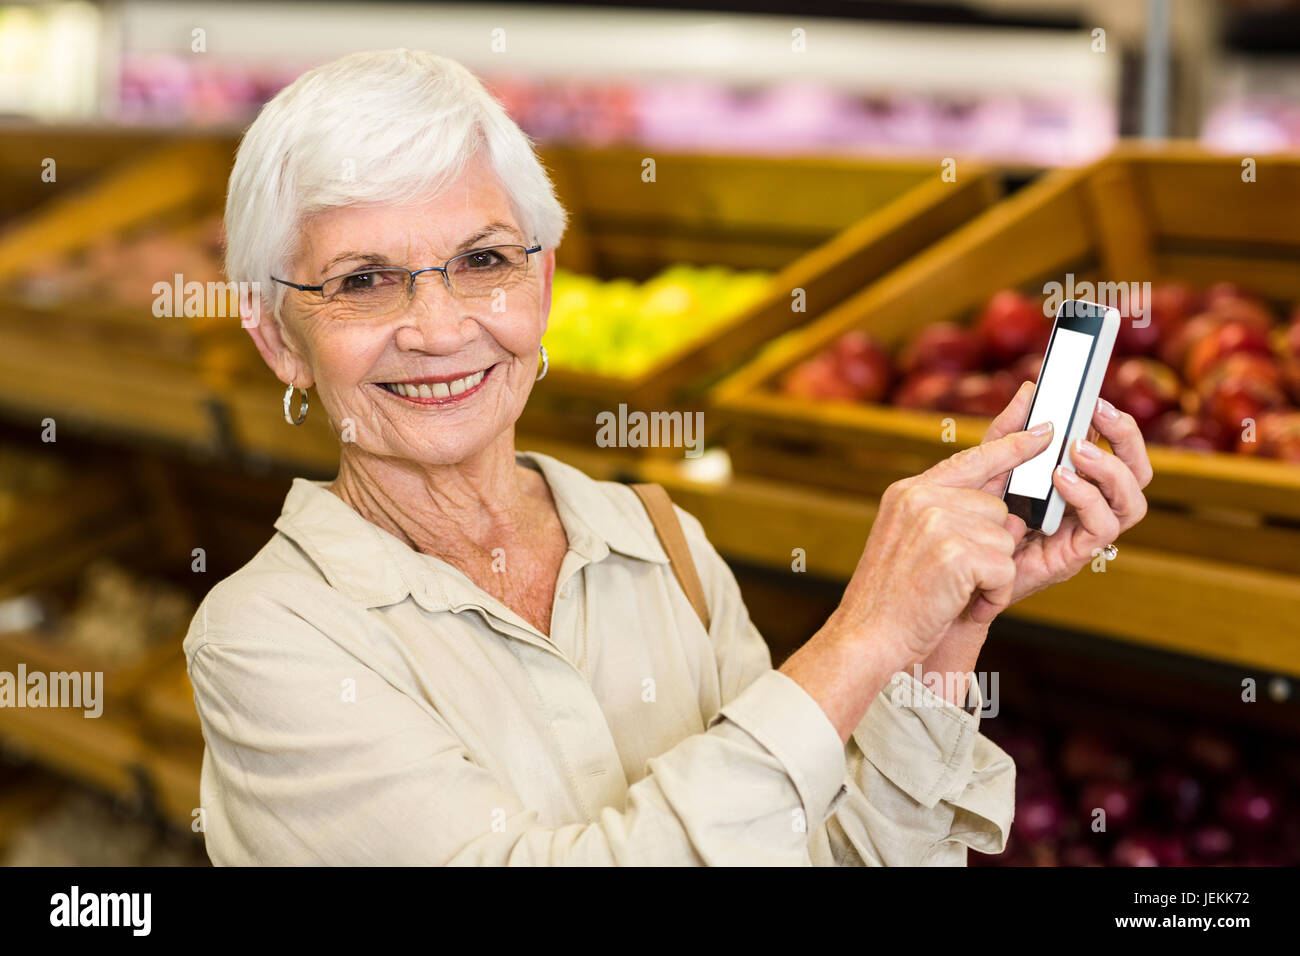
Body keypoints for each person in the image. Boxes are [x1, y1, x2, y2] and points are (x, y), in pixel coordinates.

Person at [186, 48, 1153, 865]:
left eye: (483, 261)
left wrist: (939, 636)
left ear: (545, 282)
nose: (439, 330)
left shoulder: (654, 540)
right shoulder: (266, 638)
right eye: (364, 281)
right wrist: (862, 631)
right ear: (277, 337)